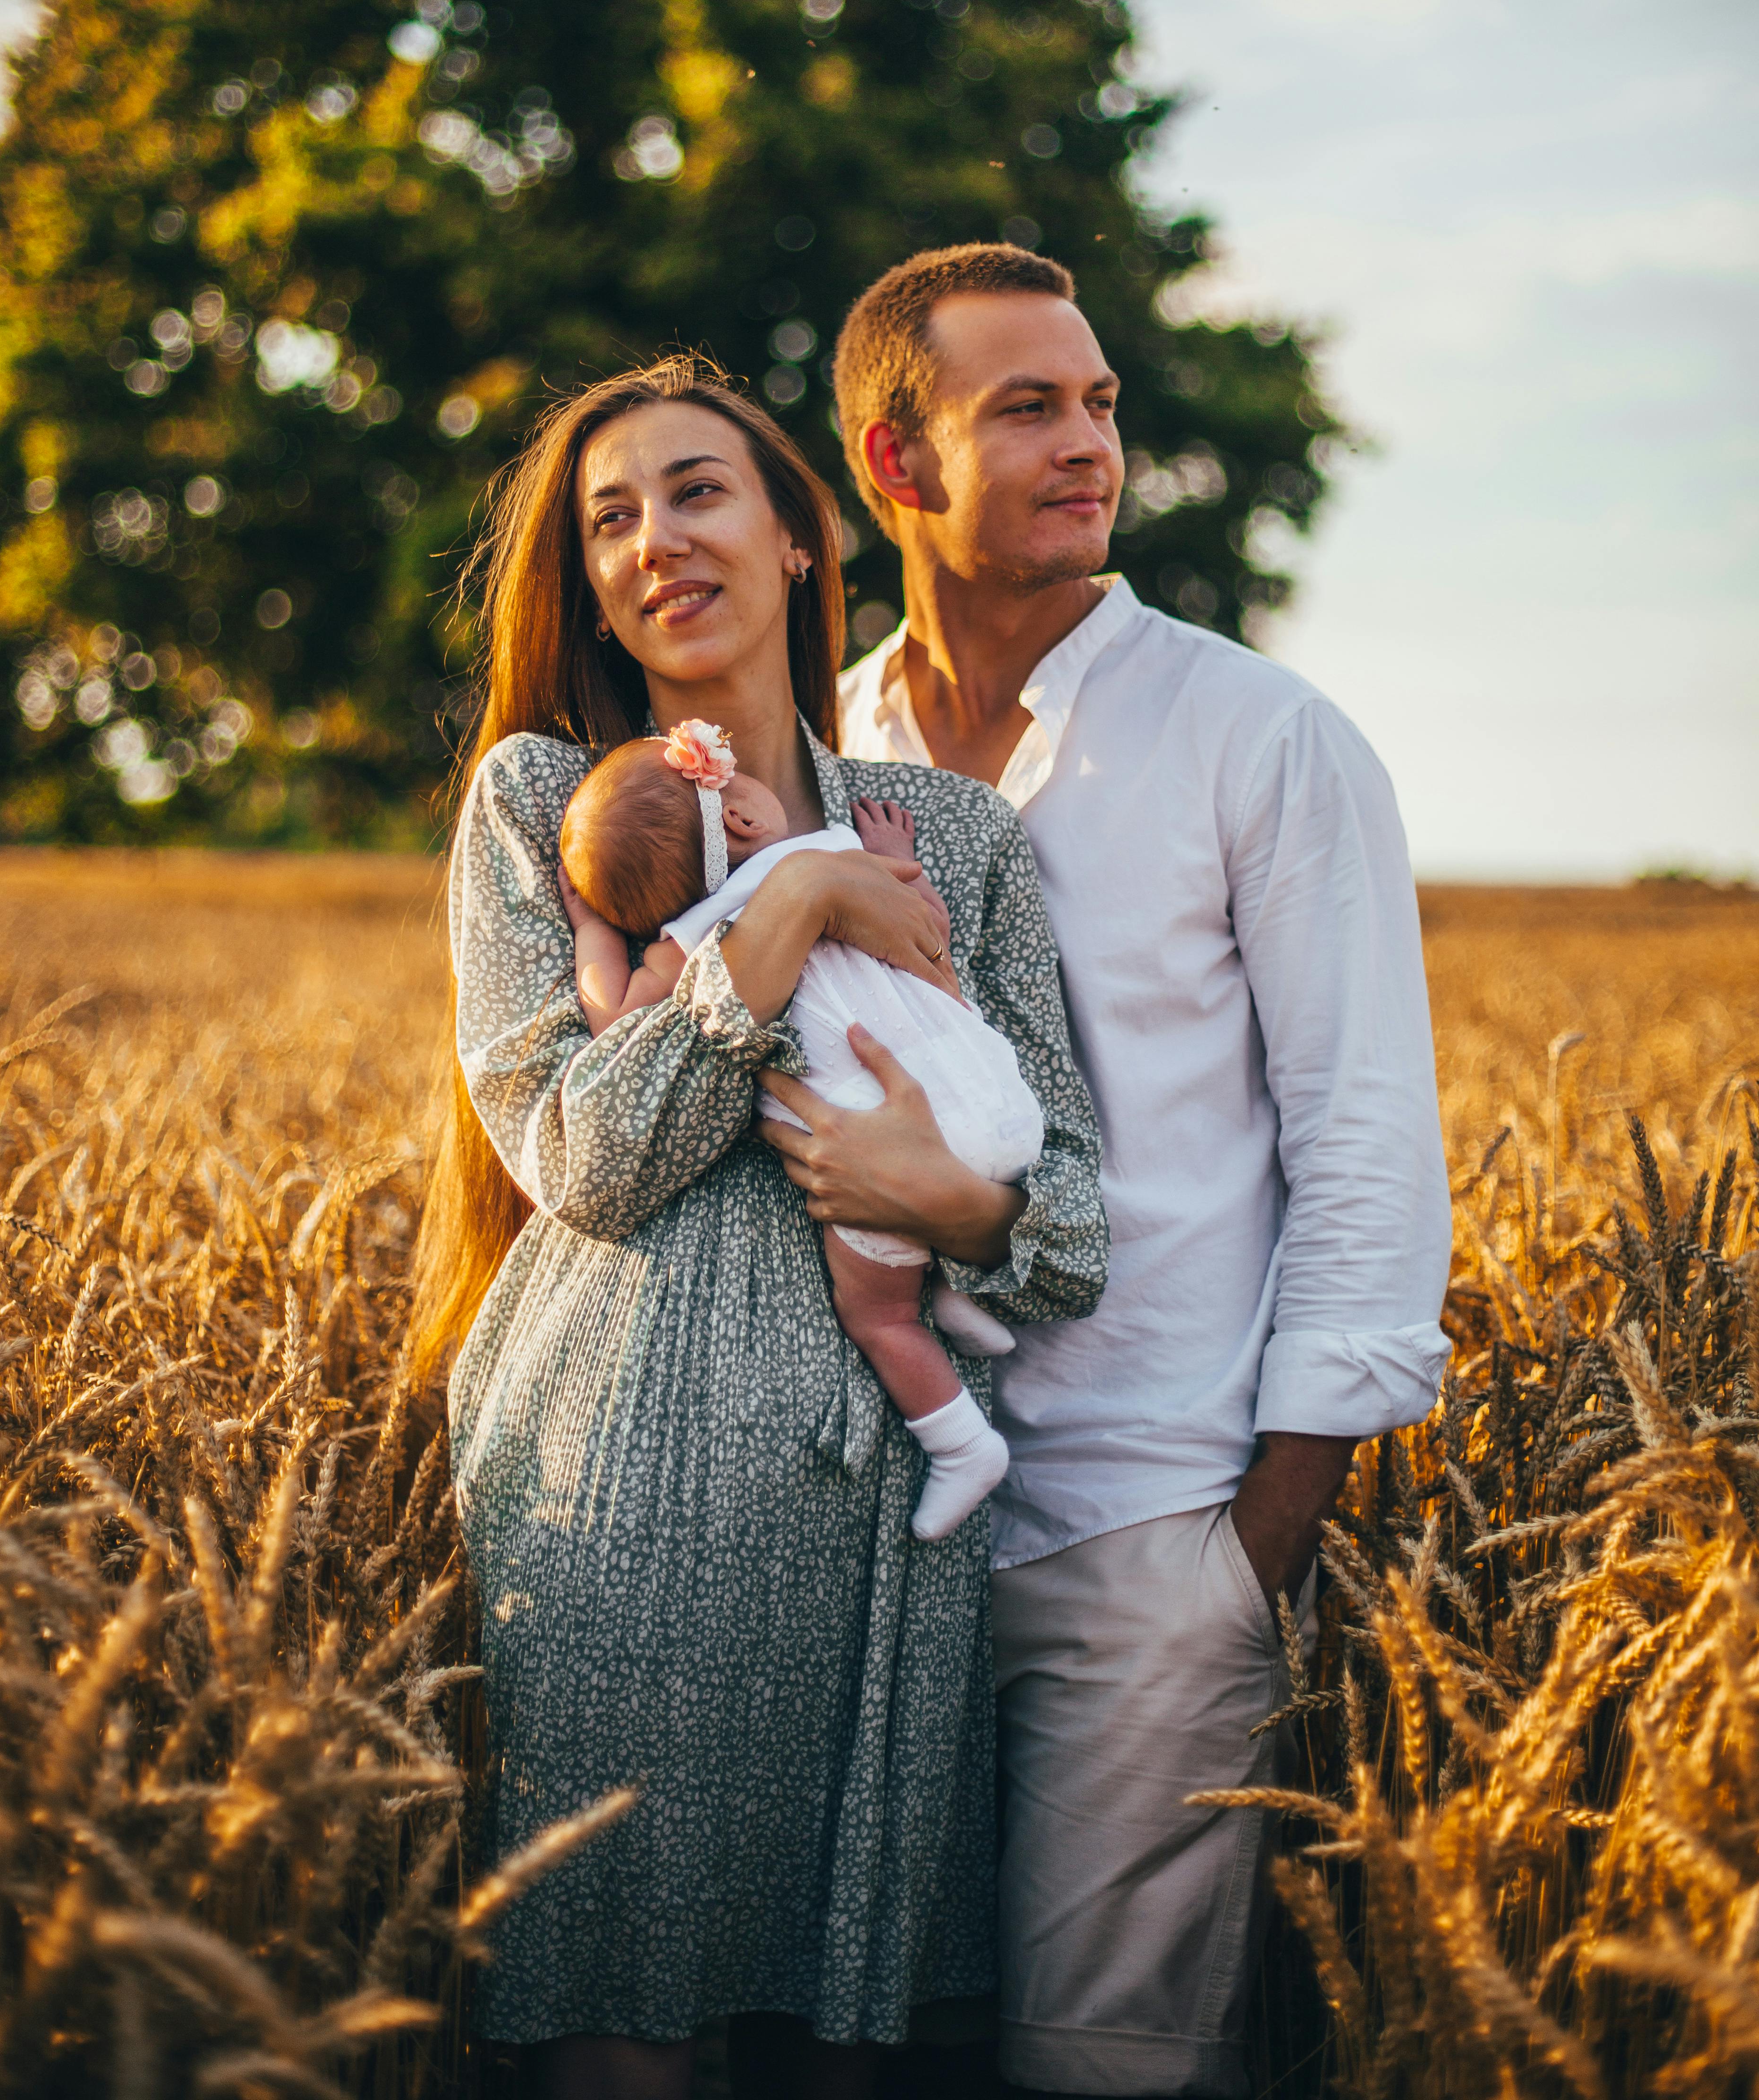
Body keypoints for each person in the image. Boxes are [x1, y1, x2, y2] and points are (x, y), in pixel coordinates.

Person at [408, 353, 1107, 2100]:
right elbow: (584, 1155)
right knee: (624, 2010)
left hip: (898, 1499)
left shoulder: (953, 835)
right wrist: (789, 903)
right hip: (624, 1475)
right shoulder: (542, 806)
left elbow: (1076, 1220)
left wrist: (943, 1199)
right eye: (612, 517)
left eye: (698, 491)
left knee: (849, 2023)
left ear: (800, 537)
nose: (658, 540)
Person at [797, 242, 1453, 2100]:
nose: (1091, 444)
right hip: (864, 1553)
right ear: (896, 462)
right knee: (865, 2060)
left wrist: (1251, 1553)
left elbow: (1367, 1149)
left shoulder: (1261, 736)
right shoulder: (825, 752)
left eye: (1099, 403)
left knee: (1115, 2074)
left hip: (1153, 1536)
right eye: (1029, 407)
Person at [558, 720, 1035, 1538]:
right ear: (742, 818)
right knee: (912, 1135)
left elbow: (616, 1024)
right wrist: (896, 851)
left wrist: (595, 932)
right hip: (989, 1099)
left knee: (876, 1316)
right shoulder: (839, 852)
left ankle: (961, 1445)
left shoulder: (697, 937)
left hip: (885, 1138)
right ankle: (956, 1286)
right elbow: (929, 930)